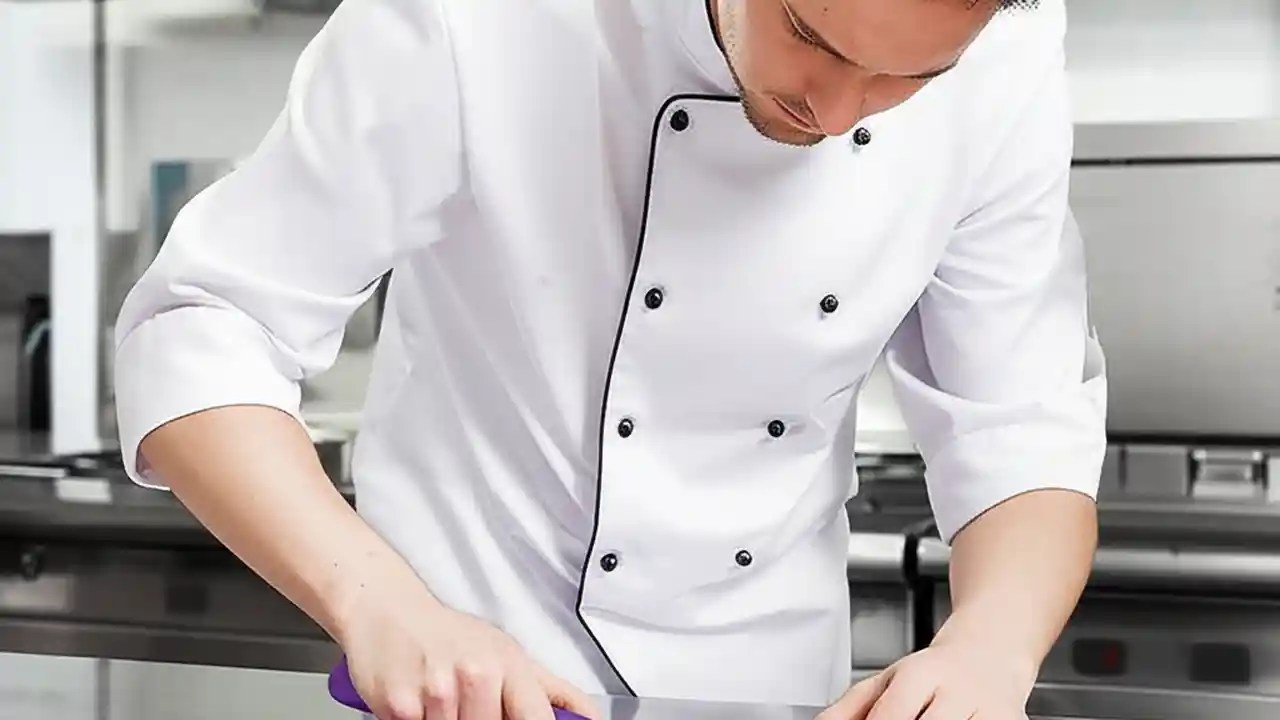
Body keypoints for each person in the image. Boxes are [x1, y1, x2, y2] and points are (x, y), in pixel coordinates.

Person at [112, 0, 1107, 718]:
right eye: (810, 37)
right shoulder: (481, 21)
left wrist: (992, 649)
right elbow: (207, 322)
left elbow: (1020, 425)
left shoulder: (1009, 55)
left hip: (767, 686)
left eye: (907, 79)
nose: (837, 110)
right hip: (478, 673)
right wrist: (379, 608)